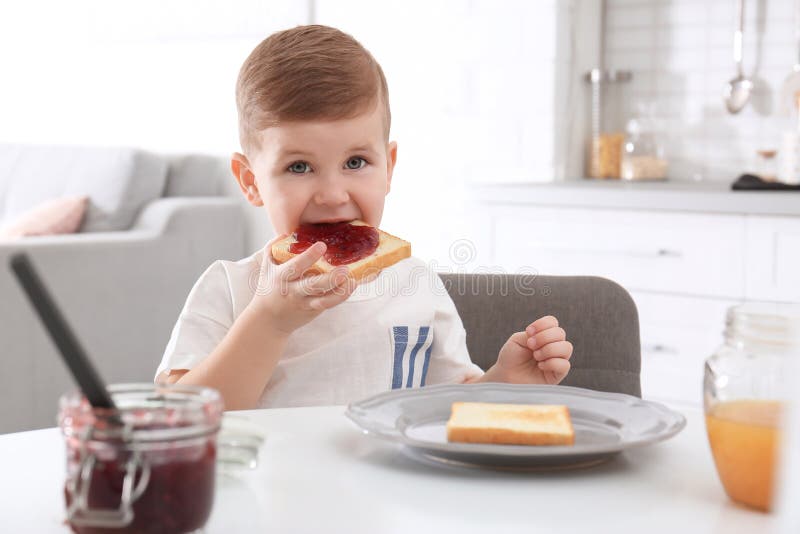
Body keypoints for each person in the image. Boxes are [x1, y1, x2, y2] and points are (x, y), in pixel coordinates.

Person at [155, 25, 573, 410]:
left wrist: (504, 382)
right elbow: (182, 415)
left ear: (389, 167)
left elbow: (447, 412)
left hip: (390, 491)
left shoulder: (418, 285)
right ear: (250, 181)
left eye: (356, 162)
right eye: (299, 167)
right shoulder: (228, 287)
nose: (333, 195)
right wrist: (269, 323)